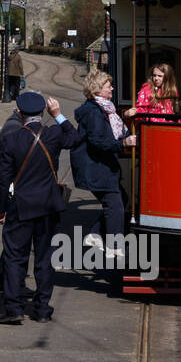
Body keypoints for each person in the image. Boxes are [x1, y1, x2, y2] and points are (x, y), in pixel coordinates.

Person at [0, 92, 84, 324]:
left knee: (15, 257)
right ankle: (42, 308)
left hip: (20, 206)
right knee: (45, 258)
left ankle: (14, 308)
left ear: (20, 113)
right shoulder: (53, 134)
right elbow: (74, 138)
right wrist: (59, 115)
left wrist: (1, 207)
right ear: (43, 112)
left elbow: (4, 179)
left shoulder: (12, 139)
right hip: (48, 206)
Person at [72, 74, 136, 260]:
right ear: (98, 89)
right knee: (115, 203)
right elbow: (98, 141)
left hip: (100, 166)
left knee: (120, 199)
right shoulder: (94, 111)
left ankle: (95, 235)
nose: (112, 89)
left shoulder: (103, 109)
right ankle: (114, 246)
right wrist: (124, 143)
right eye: (109, 86)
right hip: (95, 167)